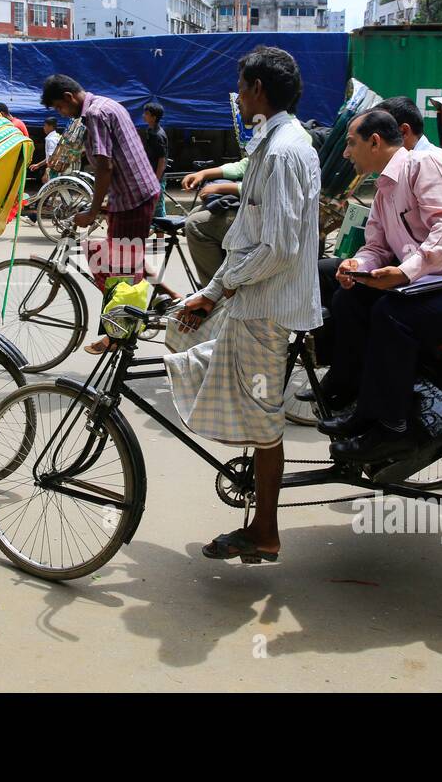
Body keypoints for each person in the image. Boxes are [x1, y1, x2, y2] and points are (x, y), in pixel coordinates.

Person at [169, 46, 321, 564]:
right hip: (255, 301)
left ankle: (265, 532)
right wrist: (215, 293)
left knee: (264, 424)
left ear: (257, 89)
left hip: (266, 307)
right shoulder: (276, 142)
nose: (238, 94)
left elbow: (277, 246)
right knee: (191, 345)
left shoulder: (282, 150)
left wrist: (218, 288)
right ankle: (259, 518)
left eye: (241, 85)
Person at [318, 109, 442, 467]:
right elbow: (376, 247)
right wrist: (359, 266)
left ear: (375, 141)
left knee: (393, 315)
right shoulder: (382, 189)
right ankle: (360, 402)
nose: (346, 153)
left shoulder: (425, 165)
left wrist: (403, 273)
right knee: (350, 297)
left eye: (351, 143)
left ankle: (393, 428)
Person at [42, 74, 162, 355]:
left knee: (116, 269)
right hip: (134, 193)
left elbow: (105, 166)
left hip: (132, 198)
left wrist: (93, 210)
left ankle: (115, 334)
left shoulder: (94, 114)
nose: (62, 113)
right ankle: (166, 297)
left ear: (70, 98)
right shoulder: (107, 104)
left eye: (60, 107)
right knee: (127, 260)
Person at [181, 155, 247, 287]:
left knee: (195, 224)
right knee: (195, 213)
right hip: (249, 207)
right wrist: (203, 174)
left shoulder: (276, 149)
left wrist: (221, 188)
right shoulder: (265, 144)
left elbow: (261, 186)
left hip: (262, 217)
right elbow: (242, 166)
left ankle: (215, 294)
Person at [142, 101, 168, 219]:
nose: (144, 116)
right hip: (150, 175)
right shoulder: (150, 131)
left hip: (157, 178)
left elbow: (162, 160)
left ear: (154, 117)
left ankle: (160, 238)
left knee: (158, 211)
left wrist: (156, 181)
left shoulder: (158, 135)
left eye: (147, 114)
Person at [28, 117, 62, 183]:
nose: (44, 128)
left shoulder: (50, 139)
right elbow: (49, 157)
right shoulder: (57, 136)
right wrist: (38, 165)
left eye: (45, 126)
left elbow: (51, 158)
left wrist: (46, 173)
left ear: (51, 126)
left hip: (53, 170)